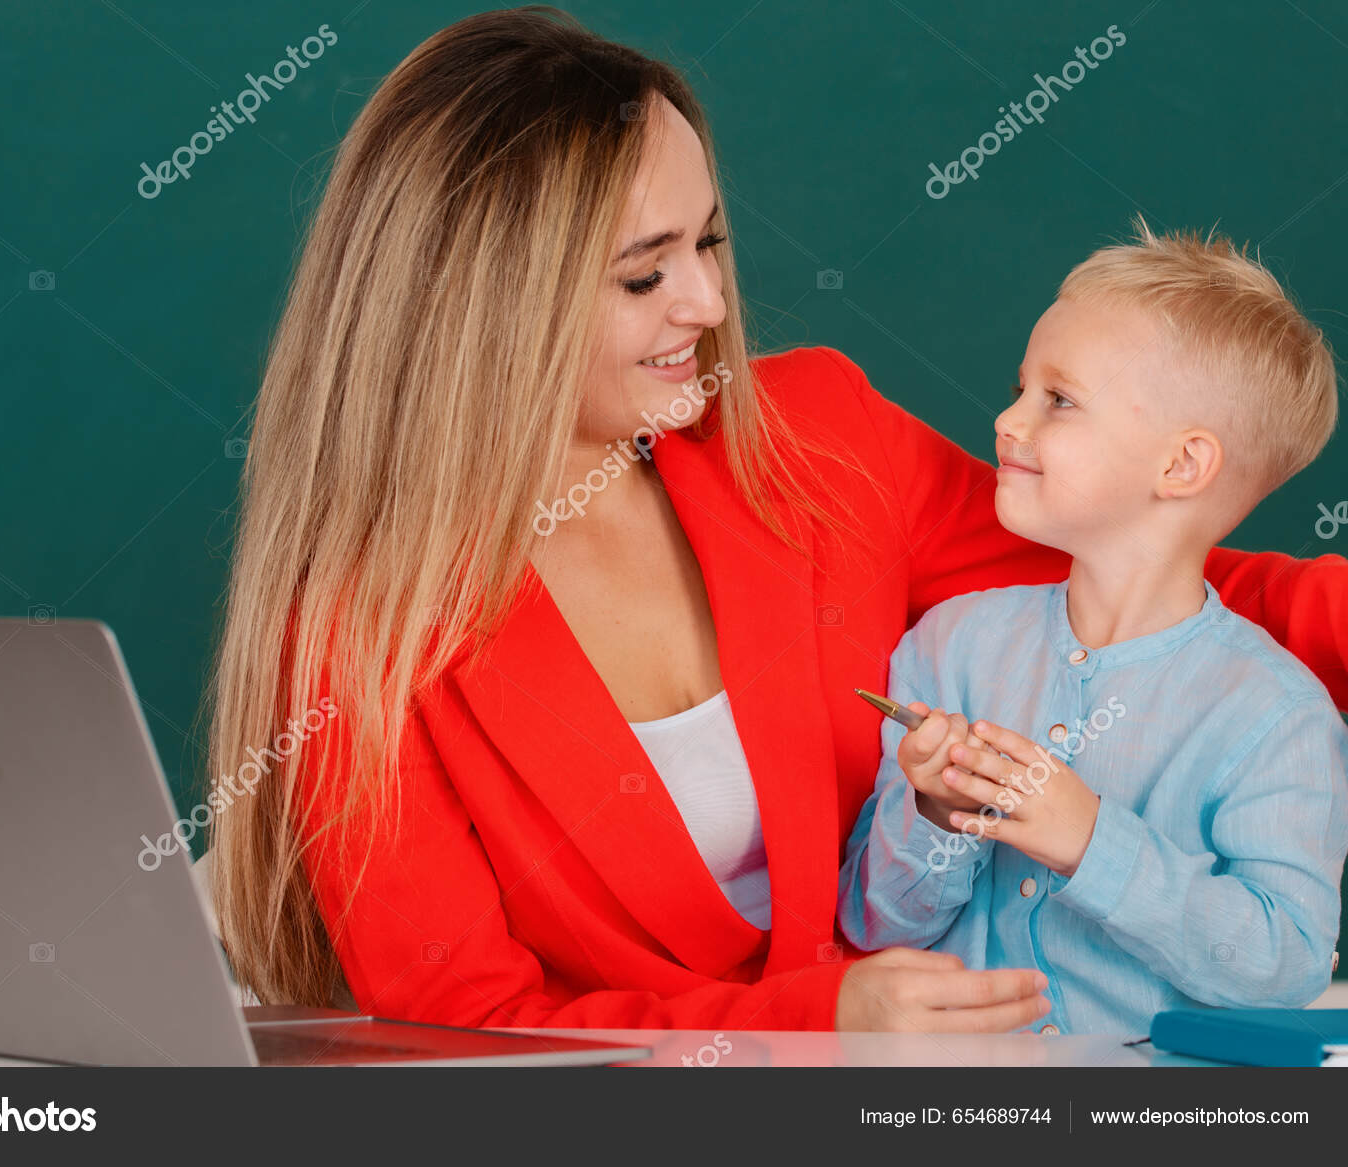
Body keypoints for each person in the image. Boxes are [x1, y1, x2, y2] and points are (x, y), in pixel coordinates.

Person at [204, 8, 1348, 1031]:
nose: (706, 305)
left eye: (705, 242)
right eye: (643, 275)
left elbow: (1151, 586)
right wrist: (820, 1021)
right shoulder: (365, 630)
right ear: (480, 304)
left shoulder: (812, 431)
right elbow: (467, 1018)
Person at [837, 218, 1348, 1033]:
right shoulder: (950, 644)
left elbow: (1284, 967)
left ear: (1181, 465)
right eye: (1020, 389)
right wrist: (933, 817)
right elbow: (874, 927)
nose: (1008, 421)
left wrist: (1092, 840)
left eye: (1058, 401)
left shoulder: (1279, 714)